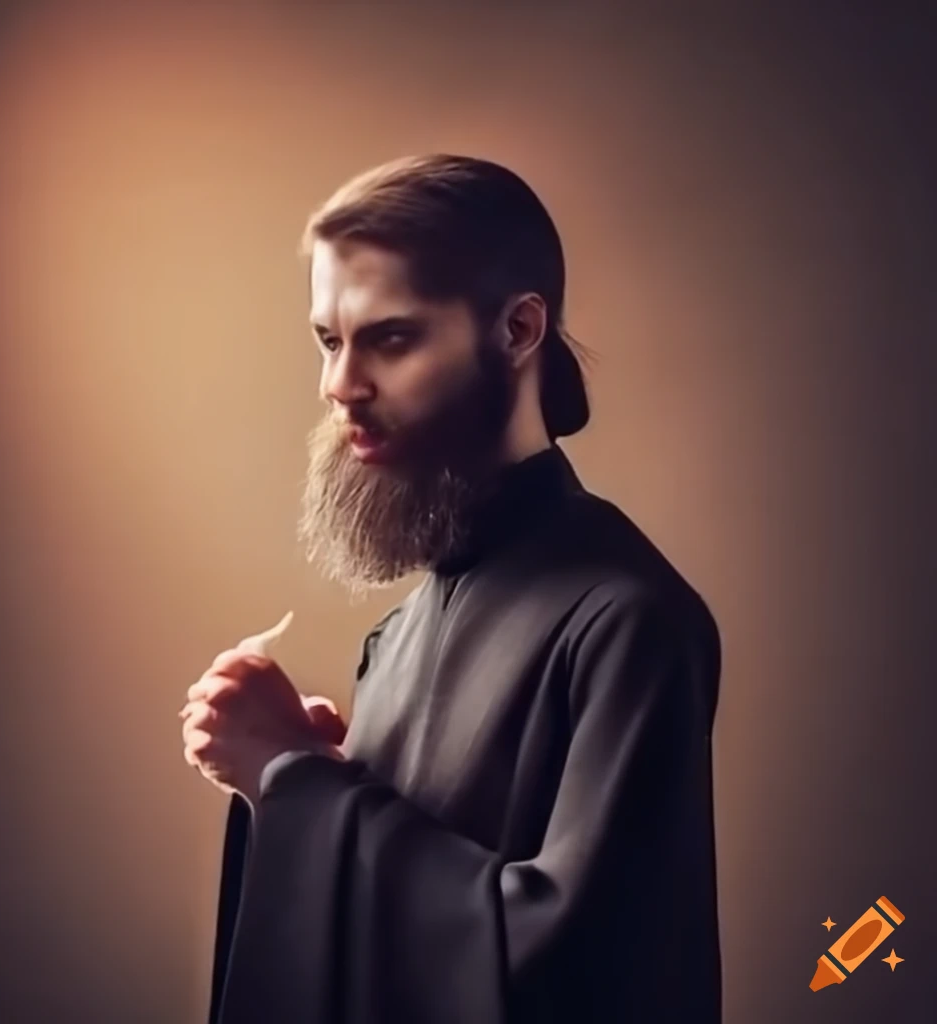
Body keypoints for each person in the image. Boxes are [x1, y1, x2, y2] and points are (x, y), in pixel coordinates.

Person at [178, 154, 723, 1023]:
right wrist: (287, 783)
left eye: (389, 339)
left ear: (516, 331)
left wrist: (297, 780)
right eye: (329, 340)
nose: (338, 387)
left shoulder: (630, 620)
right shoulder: (394, 634)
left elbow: (575, 969)